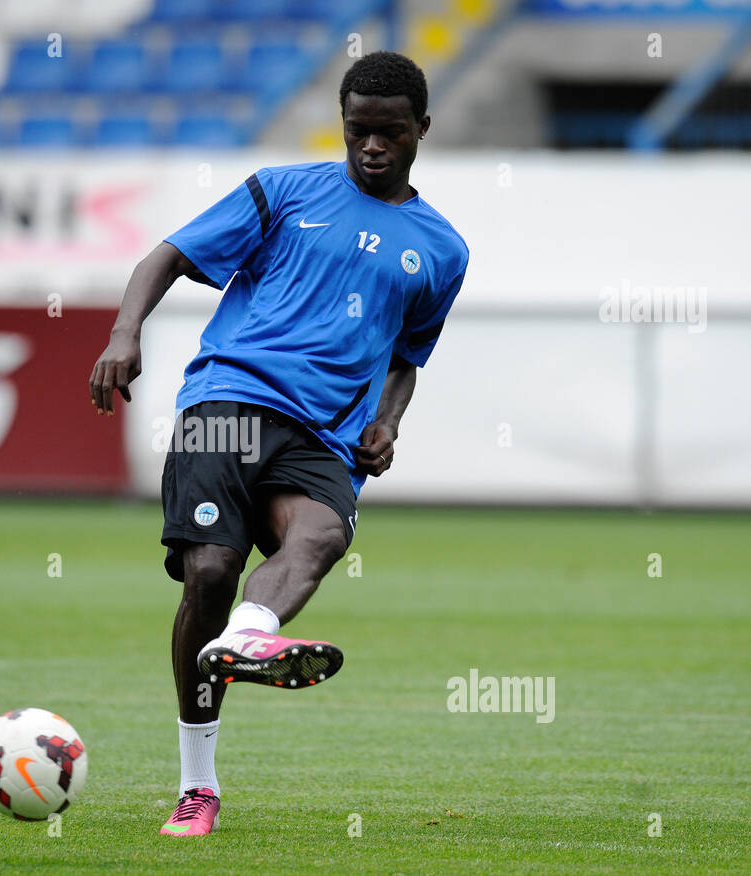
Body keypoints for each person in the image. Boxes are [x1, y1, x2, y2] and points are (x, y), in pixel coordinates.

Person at [88, 50, 468, 836]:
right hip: (229, 399)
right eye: (358, 131)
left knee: (323, 533)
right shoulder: (284, 191)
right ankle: (200, 784)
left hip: (323, 435)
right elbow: (167, 254)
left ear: (421, 131)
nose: (371, 146)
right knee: (213, 571)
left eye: (389, 134)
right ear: (343, 125)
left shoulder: (442, 250)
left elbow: (407, 357)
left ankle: (251, 639)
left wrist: (389, 419)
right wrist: (126, 331)